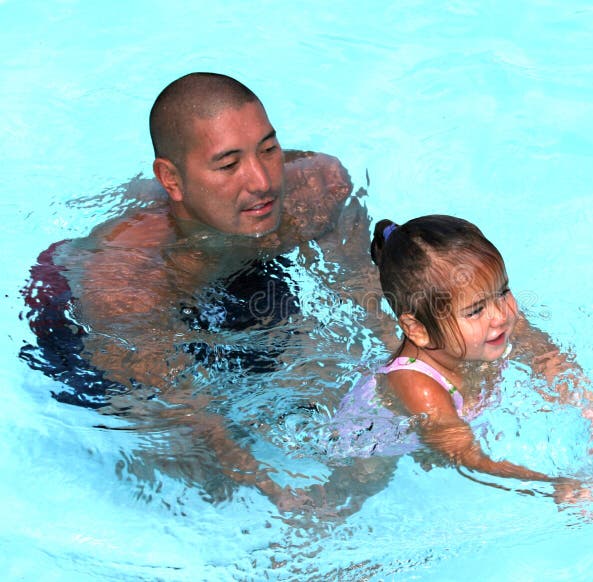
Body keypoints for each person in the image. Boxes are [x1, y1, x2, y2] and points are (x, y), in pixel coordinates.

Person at [19, 72, 372, 508]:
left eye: (269, 149)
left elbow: (361, 290)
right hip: (86, 320)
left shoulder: (317, 190)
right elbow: (187, 411)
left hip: (231, 265)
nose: (262, 181)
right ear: (171, 179)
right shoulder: (123, 280)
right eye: (228, 165)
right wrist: (277, 494)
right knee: (201, 473)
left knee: (313, 387)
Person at [326, 215, 593, 499]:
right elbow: (468, 457)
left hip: (446, 410)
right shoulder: (417, 386)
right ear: (418, 330)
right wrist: (552, 485)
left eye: (503, 291)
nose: (501, 315)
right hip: (371, 449)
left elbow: (544, 354)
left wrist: (589, 402)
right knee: (359, 490)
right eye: (475, 311)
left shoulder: (492, 323)